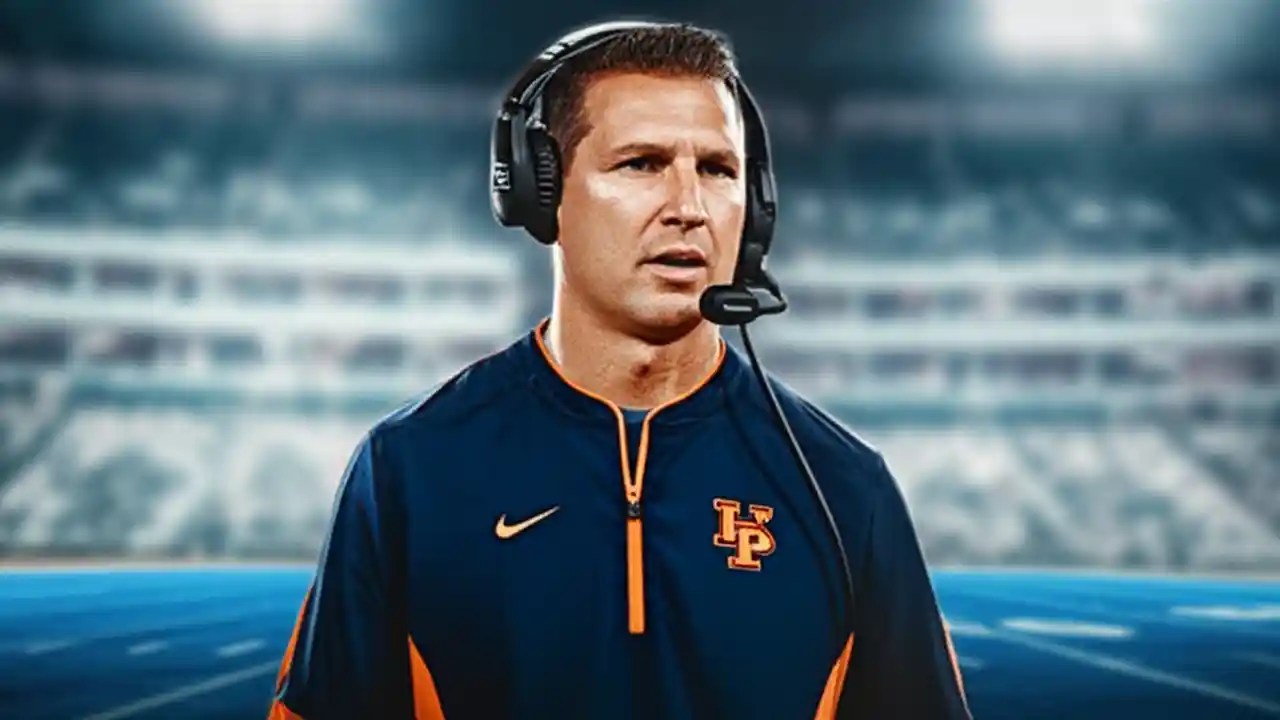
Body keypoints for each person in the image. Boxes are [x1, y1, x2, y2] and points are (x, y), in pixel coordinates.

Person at [269, 20, 971, 720]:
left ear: (754, 209)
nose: (689, 208)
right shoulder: (409, 469)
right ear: (542, 193)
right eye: (641, 163)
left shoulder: (845, 486)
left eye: (718, 170)